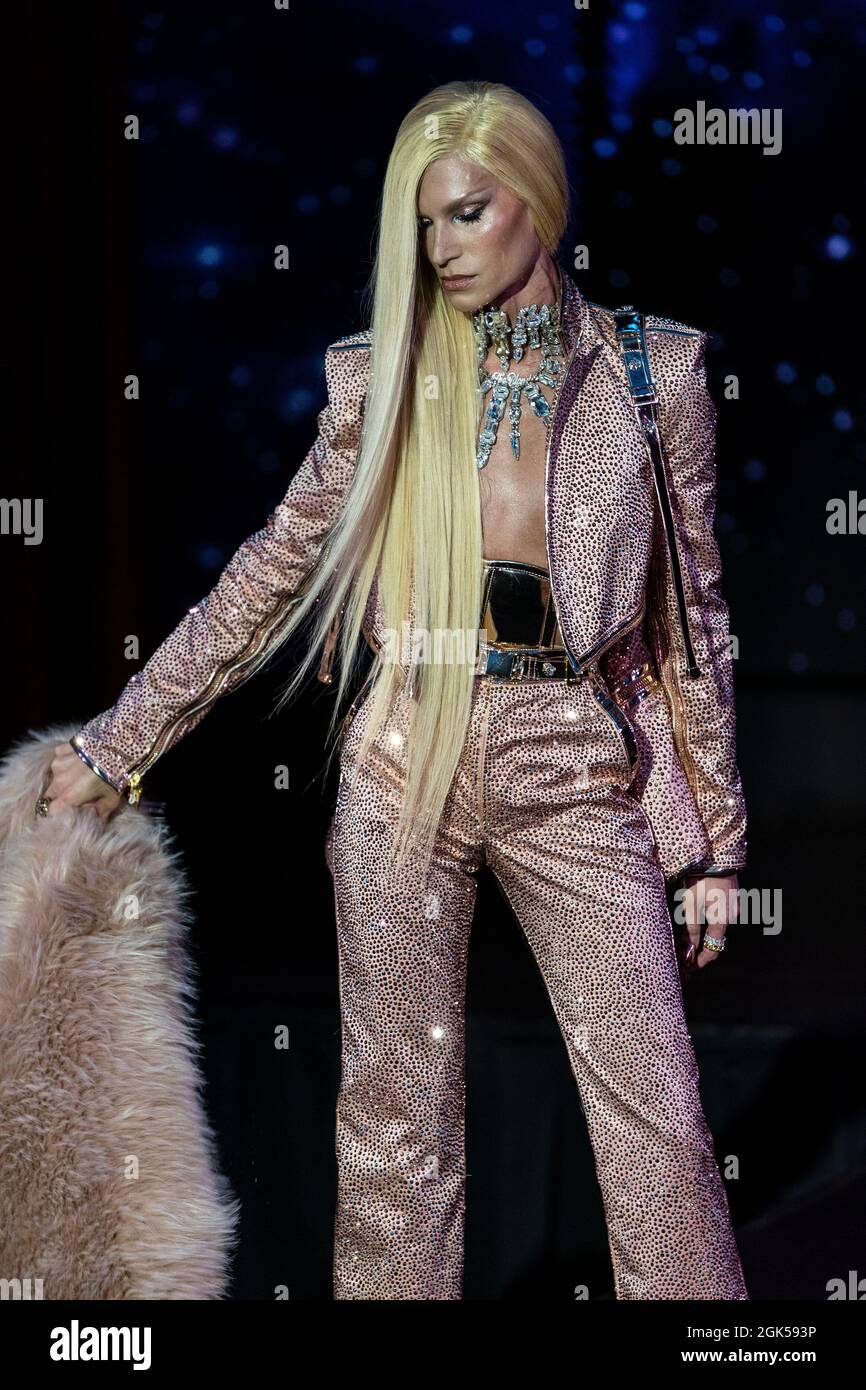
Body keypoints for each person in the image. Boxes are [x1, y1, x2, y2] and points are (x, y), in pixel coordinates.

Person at [42, 80, 748, 1300]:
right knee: (393, 1125)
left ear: (535, 201)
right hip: (400, 756)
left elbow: (691, 625)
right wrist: (120, 744)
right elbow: (266, 574)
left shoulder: (657, 376)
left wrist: (713, 845)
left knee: (659, 1124)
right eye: (423, 225)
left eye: (467, 214)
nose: (441, 250)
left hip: (571, 760)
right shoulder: (378, 383)